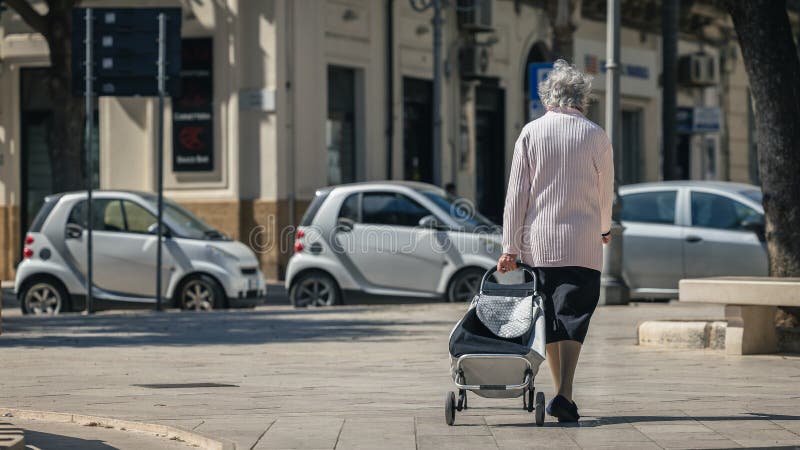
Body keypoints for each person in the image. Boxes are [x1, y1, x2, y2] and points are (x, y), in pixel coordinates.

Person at [496, 59, 613, 423]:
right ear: (582, 98)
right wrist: (604, 228)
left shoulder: (530, 133)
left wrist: (509, 248)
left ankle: (562, 394)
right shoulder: (596, 135)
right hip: (582, 243)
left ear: (547, 97)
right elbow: (605, 190)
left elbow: (516, 195)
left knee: (547, 318)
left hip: (539, 244)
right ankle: (565, 393)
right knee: (574, 316)